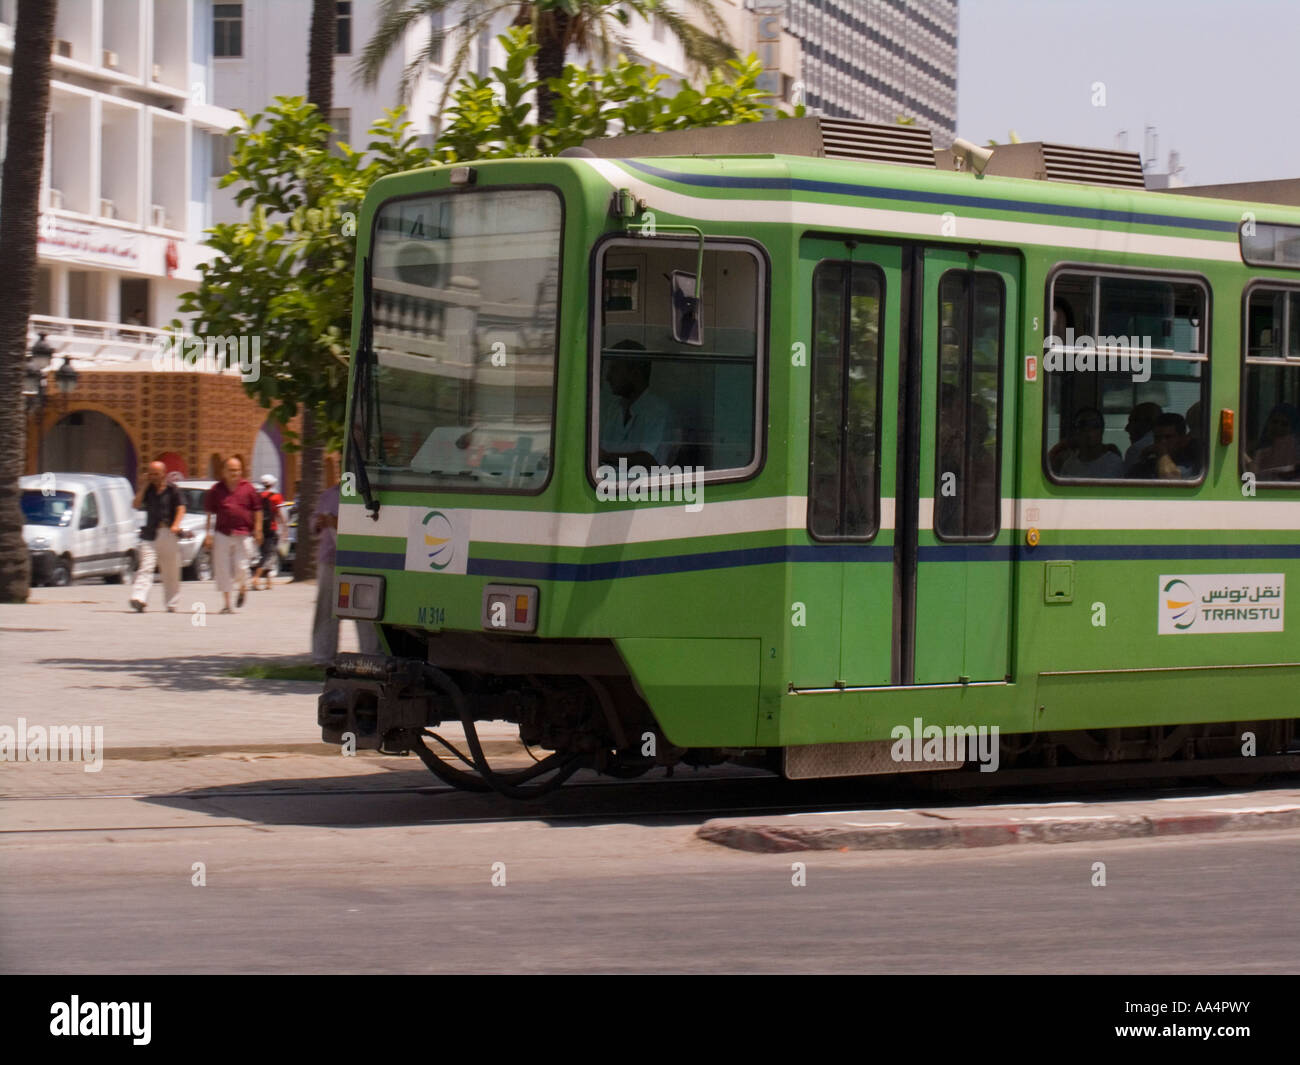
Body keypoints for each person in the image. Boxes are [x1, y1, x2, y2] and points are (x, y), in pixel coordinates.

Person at [311, 479, 380, 664]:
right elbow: (314, 526)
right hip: (331, 559)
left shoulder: (364, 494)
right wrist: (320, 523)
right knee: (326, 610)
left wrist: (337, 521)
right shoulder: (329, 494)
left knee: (365, 608)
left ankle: (372, 655)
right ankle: (322, 656)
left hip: (359, 560)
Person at [598, 341, 676, 467]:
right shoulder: (614, 408)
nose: (608, 377)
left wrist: (607, 457)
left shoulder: (658, 412)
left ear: (635, 374)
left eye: (614, 369)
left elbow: (649, 460)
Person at [203, 456, 262, 614]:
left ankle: (243, 588)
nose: (234, 473)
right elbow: (209, 512)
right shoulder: (216, 489)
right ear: (224, 471)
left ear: (241, 471)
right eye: (230, 470)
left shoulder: (248, 488)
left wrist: (258, 529)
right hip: (222, 533)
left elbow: (257, 509)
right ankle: (227, 604)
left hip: (243, 533)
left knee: (242, 567)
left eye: (236, 470)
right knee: (222, 568)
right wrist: (208, 534)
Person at [130, 461, 185, 613]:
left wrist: (176, 524)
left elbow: (181, 508)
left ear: (164, 473)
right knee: (146, 567)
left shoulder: (173, 490)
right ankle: (139, 598)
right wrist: (144, 486)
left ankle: (172, 603)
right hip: (150, 534)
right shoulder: (148, 490)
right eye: (151, 473)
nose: (153, 477)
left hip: (168, 533)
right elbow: (135, 504)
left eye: (156, 473)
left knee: (170, 571)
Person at [1049, 407, 1124, 478]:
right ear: (1076, 431)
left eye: (1095, 425)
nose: (1088, 430)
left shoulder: (1115, 464)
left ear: (1102, 430)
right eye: (1082, 425)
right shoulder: (1069, 465)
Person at [1131, 412, 1200, 479]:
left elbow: (1170, 482)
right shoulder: (1147, 465)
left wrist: (1162, 453)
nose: (1162, 442)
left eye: (1168, 437)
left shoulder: (1189, 464)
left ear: (1182, 439)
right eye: (1157, 437)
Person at [252, 473, 287, 591]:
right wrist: (285, 527)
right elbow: (280, 513)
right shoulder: (276, 496)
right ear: (272, 484)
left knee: (264, 554)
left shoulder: (258, 496)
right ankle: (256, 578)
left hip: (260, 530)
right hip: (271, 528)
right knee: (269, 555)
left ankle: (268, 582)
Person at [1247, 402, 1300, 480]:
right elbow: (1252, 478)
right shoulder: (1261, 453)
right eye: (1275, 422)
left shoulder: (1297, 455)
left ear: (1293, 429)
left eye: (1284, 424)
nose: (1278, 427)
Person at [1122, 401, 1162, 473]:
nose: (1126, 428)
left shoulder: (1137, 449)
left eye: (1132, 421)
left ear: (1149, 422)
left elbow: (1129, 481)